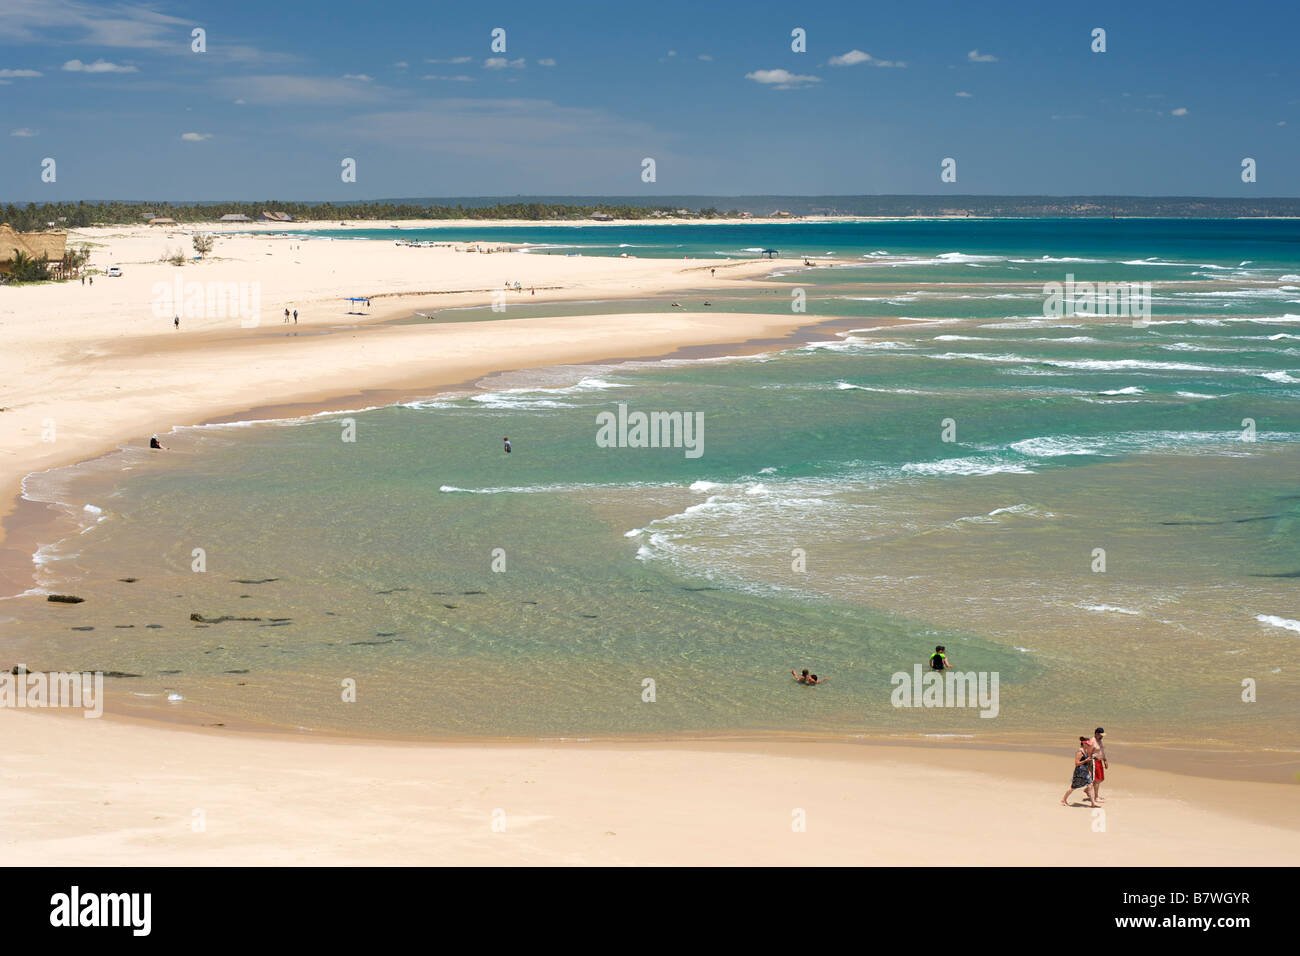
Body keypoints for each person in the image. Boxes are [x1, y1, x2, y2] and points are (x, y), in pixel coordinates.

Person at [1060, 737, 1095, 806]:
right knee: (1073, 787)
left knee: (1090, 785)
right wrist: (1086, 760)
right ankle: (1063, 800)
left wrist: (1089, 769)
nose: (1089, 745)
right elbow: (1076, 763)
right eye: (1088, 744)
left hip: (1084, 771)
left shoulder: (1085, 751)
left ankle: (1093, 803)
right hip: (1079, 772)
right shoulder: (1080, 752)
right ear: (1084, 743)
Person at [1088, 728, 1109, 804]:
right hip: (1094, 761)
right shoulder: (1092, 742)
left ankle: (1088, 790)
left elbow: (1101, 751)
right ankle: (1096, 797)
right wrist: (1089, 766)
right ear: (1096, 734)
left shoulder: (1100, 740)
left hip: (1100, 761)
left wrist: (1105, 760)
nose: (1102, 737)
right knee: (1097, 780)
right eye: (1101, 735)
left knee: (1101, 779)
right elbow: (1089, 754)